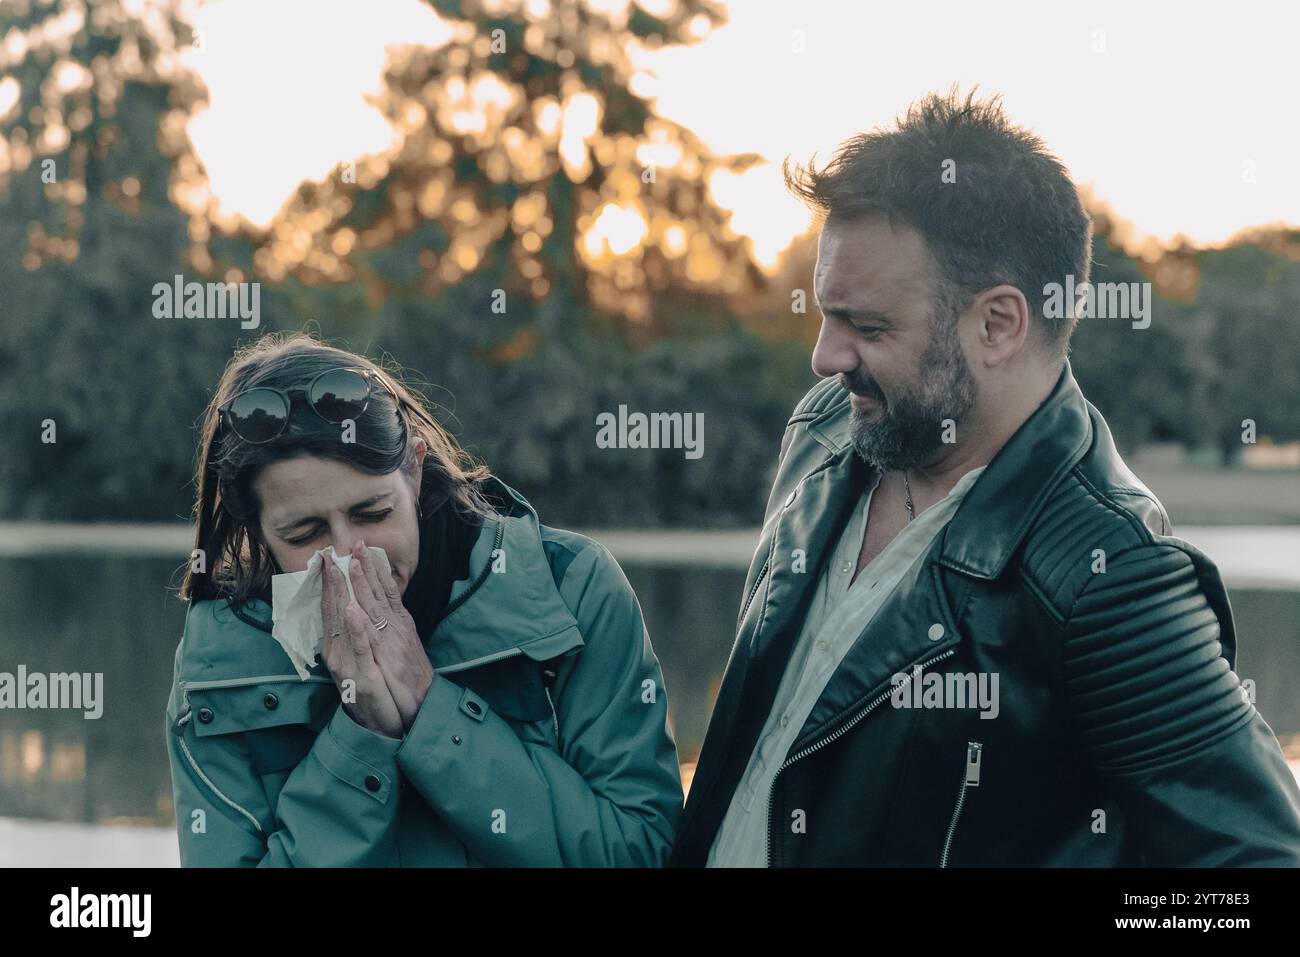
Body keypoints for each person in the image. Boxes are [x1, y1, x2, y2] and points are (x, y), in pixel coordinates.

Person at [670, 89, 1300, 867]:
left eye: (867, 327)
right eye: (827, 316)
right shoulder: (829, 427)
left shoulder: (1110, 575)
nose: (825, 358)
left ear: (998, 323)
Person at [165, 333, 682, 866]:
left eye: (373, 513)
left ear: (413, 469)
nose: (350, 554)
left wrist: (431, 711)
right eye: (304, 534)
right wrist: (363, 737)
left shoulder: (572, 590)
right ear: (256, 528)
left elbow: (640, 851)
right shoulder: (217, 667)